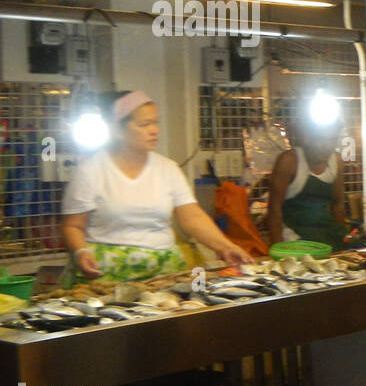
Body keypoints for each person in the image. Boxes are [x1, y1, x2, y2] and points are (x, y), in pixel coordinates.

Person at [61, 90, 251, 283]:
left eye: (155, 122)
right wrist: (80, 252)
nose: (154, 130)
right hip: (106, 273)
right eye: (144, 124)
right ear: (118, 130)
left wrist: (225, 247)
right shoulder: (90, 170)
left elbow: (192, 216)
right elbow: (74, 225)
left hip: (163, 272)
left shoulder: (167, 169)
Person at [265, 115, 347, 250]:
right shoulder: (289, 162)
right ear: (307, 139)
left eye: (332, 140)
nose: (327, 146)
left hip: (326, 236)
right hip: (294, 240)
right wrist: (278, 250)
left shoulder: (337, 162)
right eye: (321, 139)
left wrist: (342, 240)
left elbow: (338, 204)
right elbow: (274, 209)